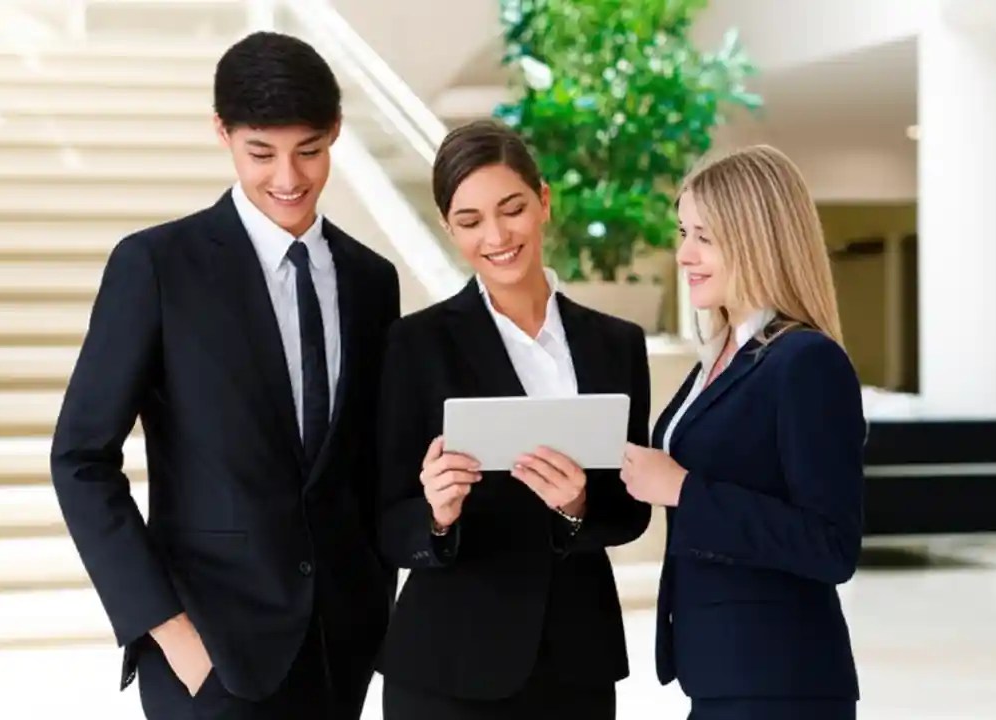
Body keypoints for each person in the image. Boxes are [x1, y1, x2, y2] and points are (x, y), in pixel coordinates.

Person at [50, 31, 400, 720]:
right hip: (209, 657)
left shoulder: (371, 280)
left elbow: (361, 463)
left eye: (309, 150)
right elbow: (80, 458)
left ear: (336, 130)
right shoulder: (157, 267)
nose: (288, 178)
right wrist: (166, 629)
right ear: (223, 133)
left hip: (340, 651)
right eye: (261, 153)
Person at [374, 120, 652, 720]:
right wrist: (437, 515)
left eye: (513, 209)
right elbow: (386, 522)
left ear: (543, 201)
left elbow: (631, 511)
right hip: (447, 670)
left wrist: (577, 508)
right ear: (449, 228)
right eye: (470, 221)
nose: (497, 236)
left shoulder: (615, 345)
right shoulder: (414, 346)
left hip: (575, 665)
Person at [621, 145, 864, 720]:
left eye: (704, 237)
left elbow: (831, 546)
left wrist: (684, 490)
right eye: (683, 233)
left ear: (757, 239)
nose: (684, 254)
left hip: (782, 682)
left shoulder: (806, 361)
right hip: (722, 671)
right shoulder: (720, 355)